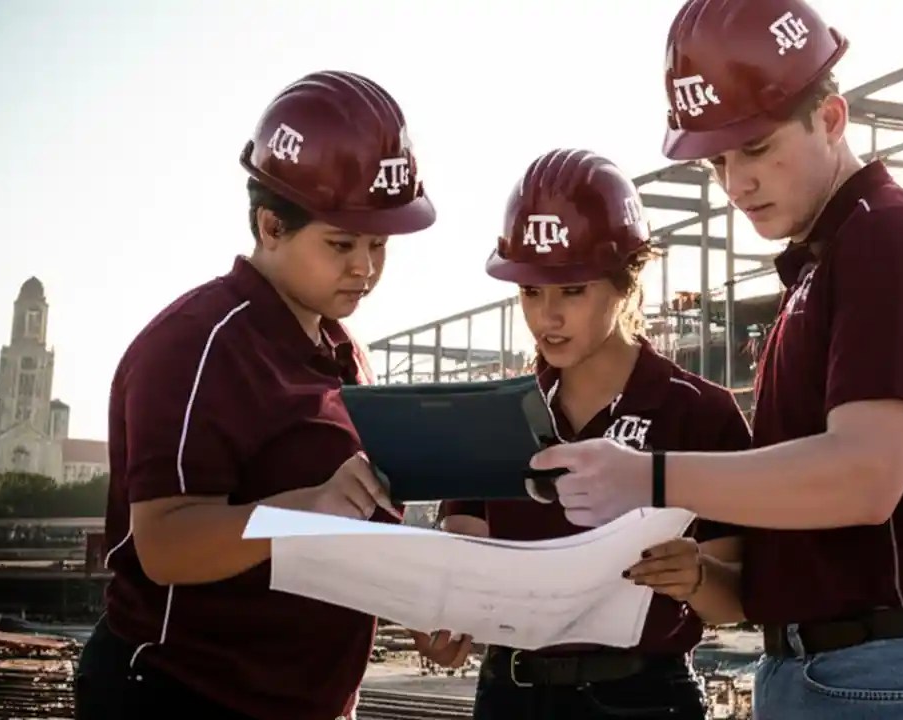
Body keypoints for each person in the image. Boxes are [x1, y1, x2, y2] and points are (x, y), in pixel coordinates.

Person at [527, 2, 903, 718]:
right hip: (839, 668)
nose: (735, 184)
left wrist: (648, 477)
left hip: (892, 673)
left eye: (755, 149)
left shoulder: (894, 243)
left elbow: (863, 477)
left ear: (831, 118)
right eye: (719, 160)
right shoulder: (825, 269)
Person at [74, 70, 433, 720]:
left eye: (380, 244)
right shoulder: (195, 347)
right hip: (183, 695)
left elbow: (346, 535)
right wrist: (304, 510)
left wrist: (431, 602)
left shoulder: (344, 352)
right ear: (271, 226)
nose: (366, 267)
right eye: (342, 243)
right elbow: (163, 545)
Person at [417, 148, 751, 720]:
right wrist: (444, 619)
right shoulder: (493, 417)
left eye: (572, 291)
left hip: (643, 699)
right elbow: (461, 558)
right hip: (510, 695)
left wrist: (694, 575)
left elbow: (737, 600)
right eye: (530, 291)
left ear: (626, 281)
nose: (547, 316)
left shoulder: (699, 414)